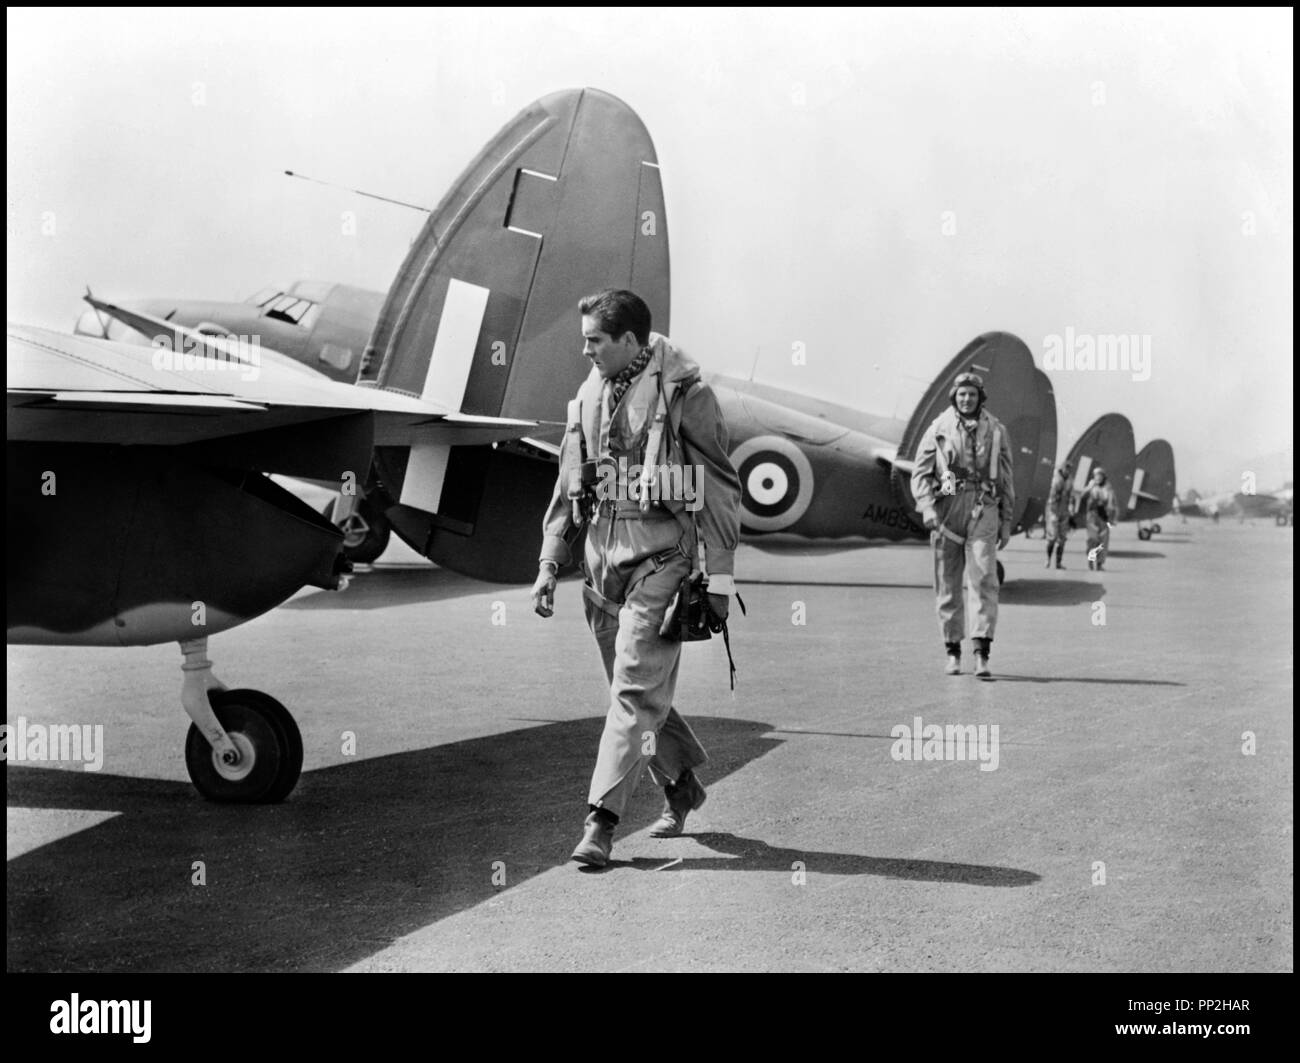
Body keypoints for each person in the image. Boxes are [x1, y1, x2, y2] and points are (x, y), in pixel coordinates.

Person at [531, 289, 741, 868]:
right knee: (639, 693)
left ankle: (600, 823)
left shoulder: (686, 395)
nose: (585, 350)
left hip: (660, 560)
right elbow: (567, 481)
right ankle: (681, 786)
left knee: (632, 691)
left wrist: (718, 583)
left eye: (595, 339)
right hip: (599, 567)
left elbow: (719, 487)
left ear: (631, 340)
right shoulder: (588, 394)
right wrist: (550, 561)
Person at [910, 371, 1016, 678]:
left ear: (980, 397)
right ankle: (952, 651)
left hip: (985, 508)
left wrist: (1007, 520)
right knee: (947, 581)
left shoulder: (996, 430)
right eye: (961, 394)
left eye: (971, 394)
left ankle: (982, 652)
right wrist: (927, 507)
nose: (966, 399)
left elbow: (1007, 478)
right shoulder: (938, 429)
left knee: (984, 576)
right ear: (954, 398)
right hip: (948, 508)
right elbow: (920, 473)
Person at [1080, 466, 1118, 570]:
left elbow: (1112, 505)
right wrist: (1089, 487)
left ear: (1103, 477)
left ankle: (1100, 563)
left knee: (1103, 541)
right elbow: (1082, 496)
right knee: (1092, 539)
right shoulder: (1091, 486)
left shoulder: (1108, 489)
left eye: (1100, 475)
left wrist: (1112, 518)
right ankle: (1091, 560)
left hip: (1104, 517)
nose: (1098, 478)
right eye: (1096, 476)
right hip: (1092, 516)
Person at [1044, 463, 1075, 569]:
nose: (1068, 470)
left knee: (1062, 539)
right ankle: (1048, 559)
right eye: (1066, 468)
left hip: (1064, 512)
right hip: (1054, 511)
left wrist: (1071, 507)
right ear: (1062, 469)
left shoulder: (1070, 480)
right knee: (1052, 537)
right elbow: (1051, 497)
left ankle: (1058, 562)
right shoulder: (1055, 480)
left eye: (1069, 469)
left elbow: (1071, 496)